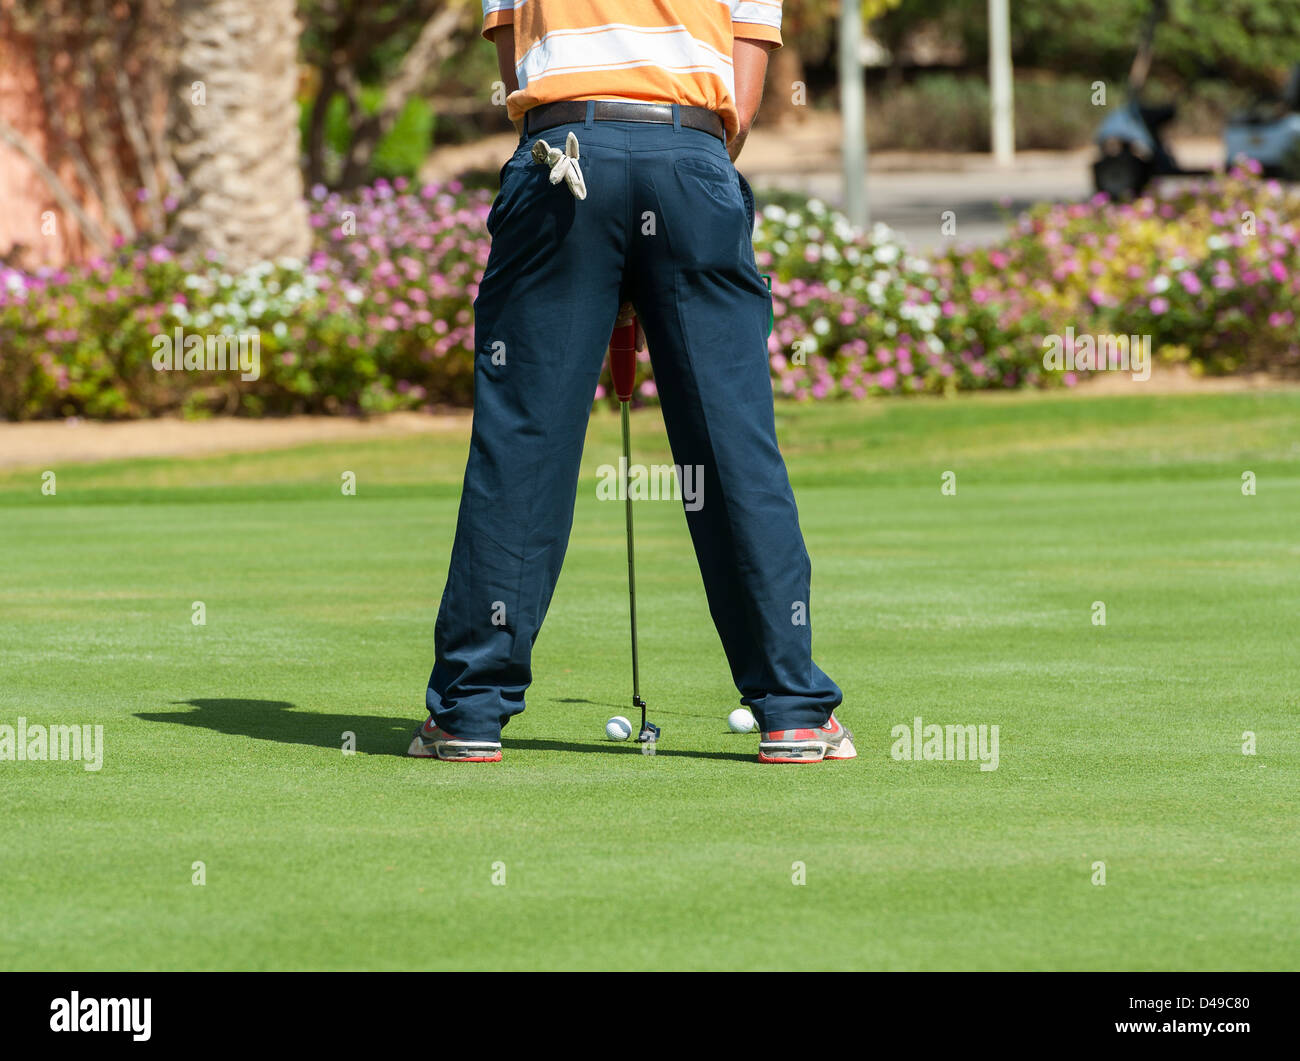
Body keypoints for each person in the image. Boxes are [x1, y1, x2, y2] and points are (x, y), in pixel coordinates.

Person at [411, 0, 851, 764]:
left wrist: (611, 234)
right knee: (731, 444)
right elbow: (740, 109)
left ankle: (470, 714)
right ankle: (792, 712)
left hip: (561, 163)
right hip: (690, 163)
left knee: (525, 443)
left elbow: (522, 78)